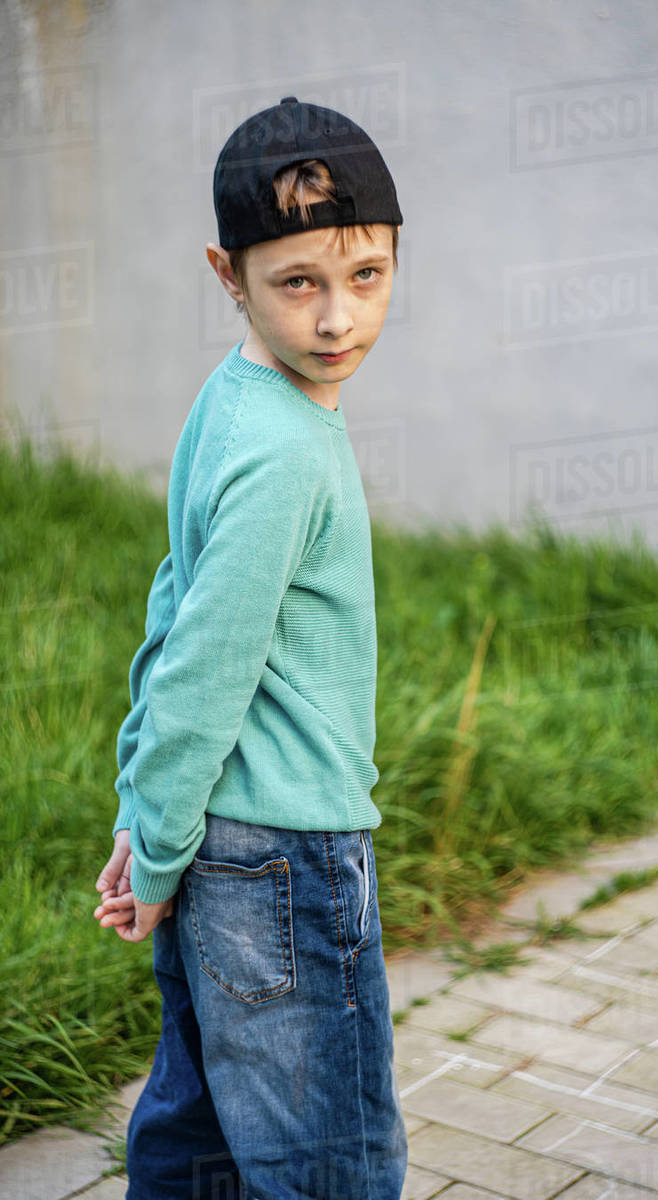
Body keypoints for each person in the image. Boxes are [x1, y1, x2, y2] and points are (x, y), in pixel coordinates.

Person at [92, 96, 408, 1199]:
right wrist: (160, 844)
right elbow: (205, 666)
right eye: (297, 284)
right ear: (227, 274)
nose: (336, 319)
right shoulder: (287, 453)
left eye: (363, 275)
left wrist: (149, 821)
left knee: (203, 1134)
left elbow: (169, 614)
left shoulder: (231, 404)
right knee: (331, 1161)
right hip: (286, 861)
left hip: (214, 852)